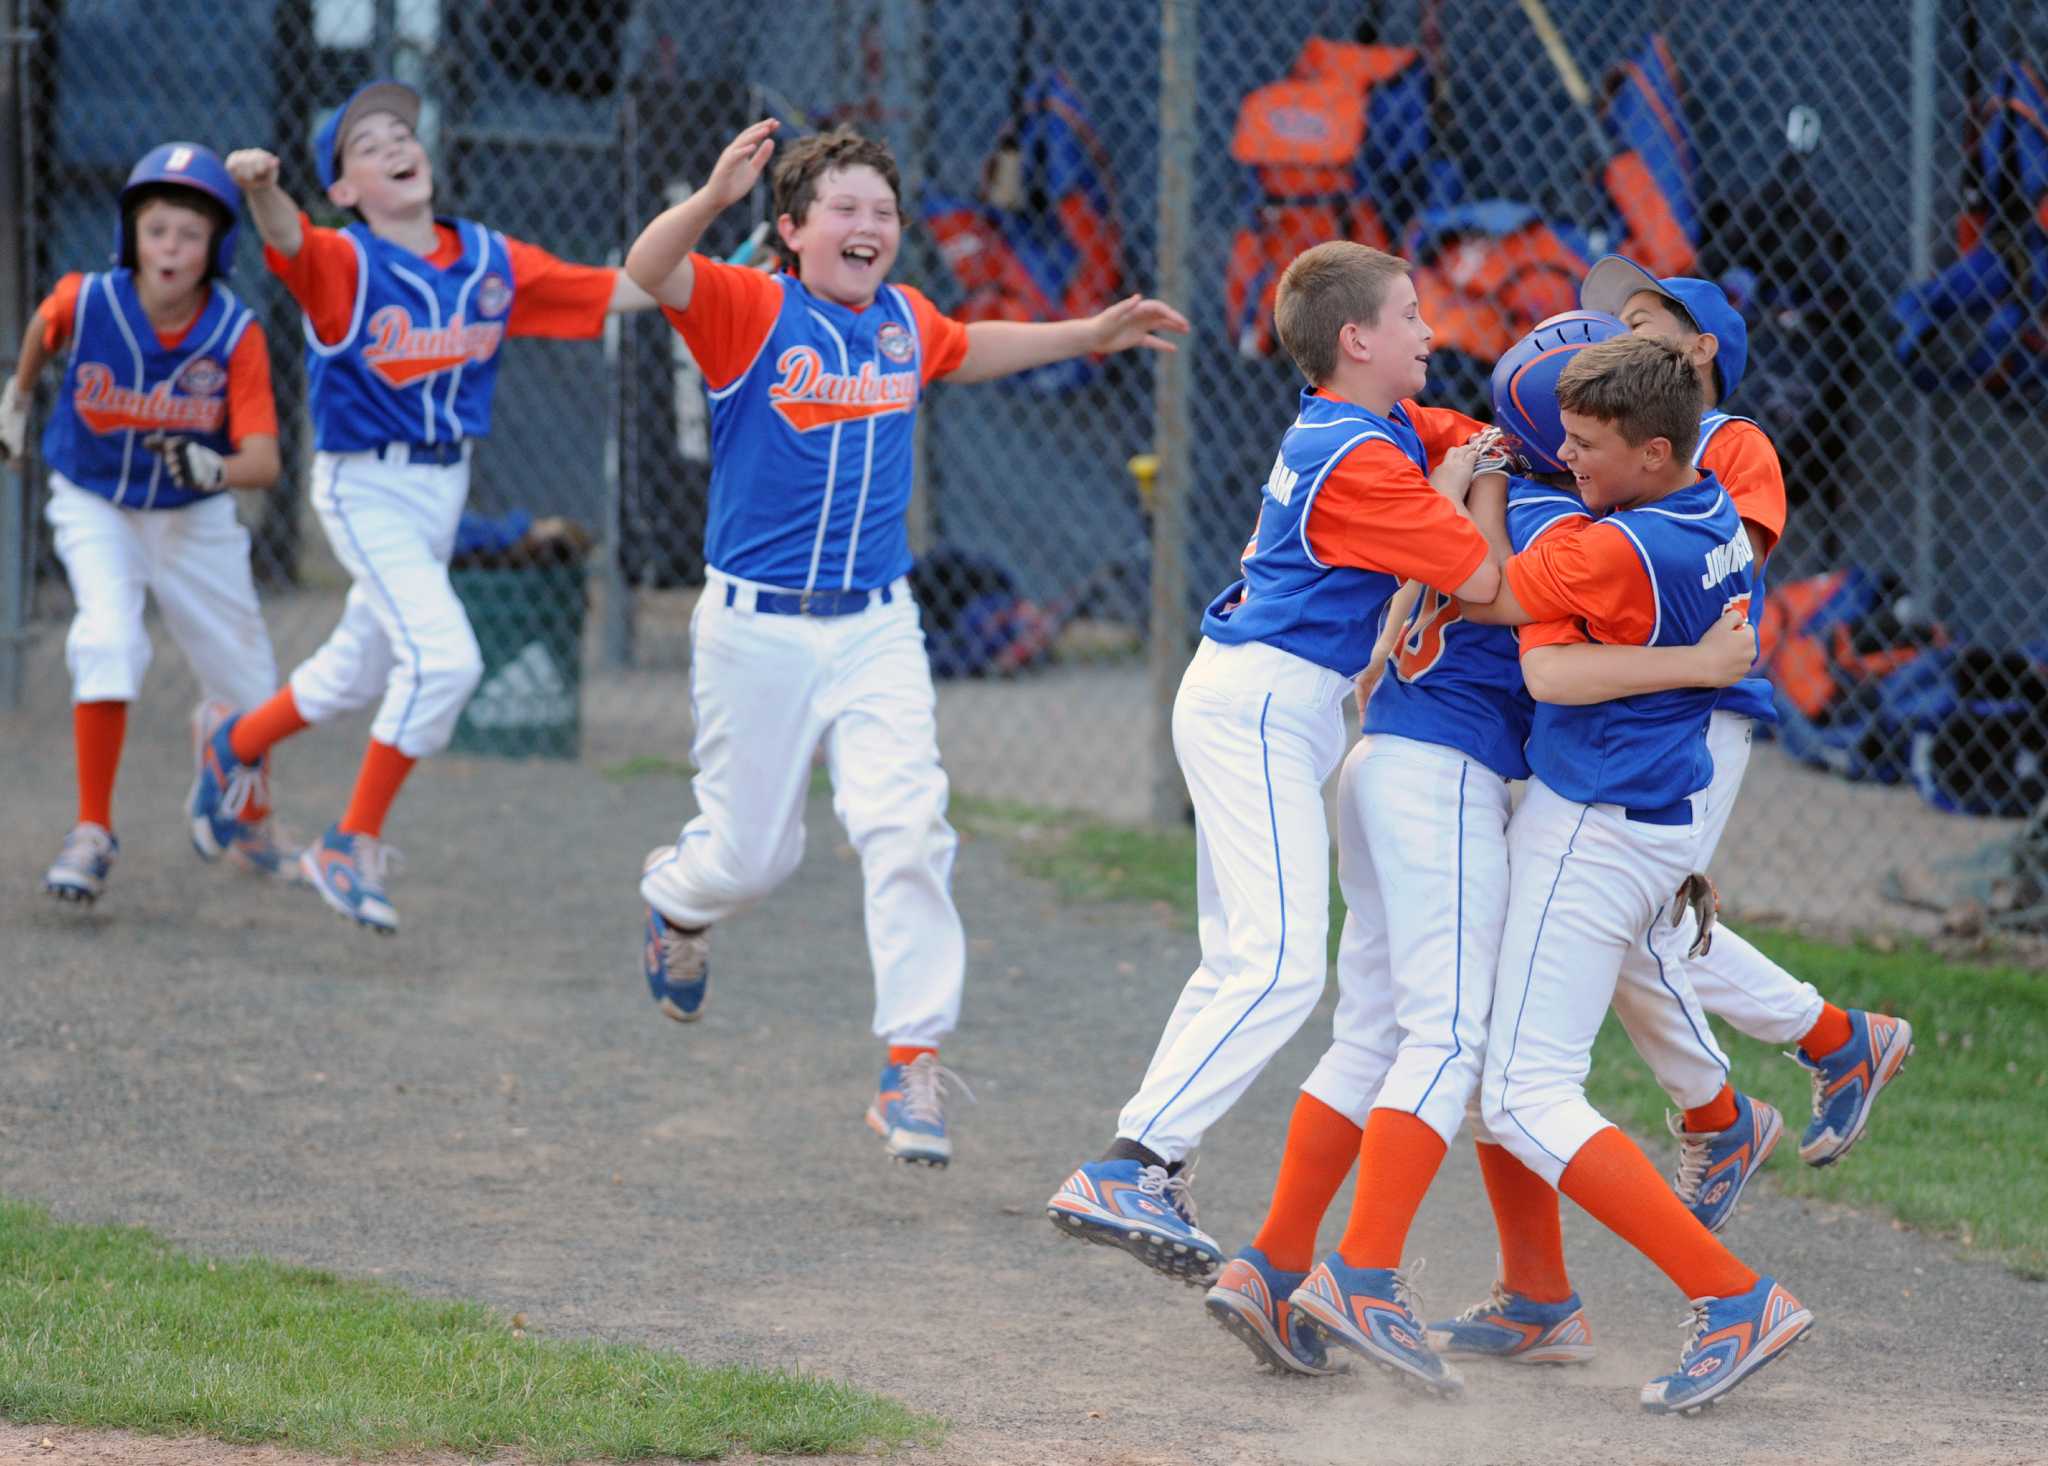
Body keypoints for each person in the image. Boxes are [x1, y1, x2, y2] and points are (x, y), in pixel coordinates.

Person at [1206, 311, 1761, 1381]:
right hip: (1448, 776)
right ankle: (1360, 1273)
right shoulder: (1572, 520)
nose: (1581, 439)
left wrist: (1482, 474)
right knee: (1455, 1039)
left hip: (1389, 764)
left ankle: (1280, 1261)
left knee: (1376, 1029)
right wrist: (1700, 669)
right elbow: (1536, 643)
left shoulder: (1481, 476)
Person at [623, 119, 1188, 1167]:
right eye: (841, 208)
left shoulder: (900, 322)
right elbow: (648, 269)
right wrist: (709, 197)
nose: (866, 225)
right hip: (757, 628)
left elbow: (968, 347)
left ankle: (909, 1063)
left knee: (906, 824)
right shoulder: (748, 309)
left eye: (881, 211)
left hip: (877, 621)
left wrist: (1087, 332)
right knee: (754, 857)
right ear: (789, 229)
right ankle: (676, 897)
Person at [1046, 241, 1508, 1270]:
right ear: (1355, 339)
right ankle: (1132, 1159)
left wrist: (1474, 455)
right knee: (1283, 961)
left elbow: (1465, 434)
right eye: (1408, 316)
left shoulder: (1366, 420)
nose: (1429, 333)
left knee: (1240, 955)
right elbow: (1476, 574)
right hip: (1261, 701)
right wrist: (1451, 482)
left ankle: (1148, 1165)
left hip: (1266, 701)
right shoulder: (1359, 457)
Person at [1381, 335, 1808, 1415]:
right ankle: (1536, 1292)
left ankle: (1731, 1296)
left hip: (1595, 824)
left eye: (1587, 446)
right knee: (1497, 1056)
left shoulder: (1609, 550)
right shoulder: (1705, 497)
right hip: (1641, 806)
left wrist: (1482, 477)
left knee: (1524, 1089)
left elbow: (1486, 599)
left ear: (1655, 448)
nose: (1565, 461)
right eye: (1558, 440)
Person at [192, 80, 659, 933]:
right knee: (445, 662)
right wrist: (260, 185)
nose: (394, 145)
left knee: (357, 670)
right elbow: (288, 238)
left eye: (401, 133)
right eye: (366, 145)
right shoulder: (344, 259)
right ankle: (350, 840)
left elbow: (616, 288)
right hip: (364, 485)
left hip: (441, 487)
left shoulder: (489, 259)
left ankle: (235, 744)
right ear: (343, 190)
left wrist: (725, 272)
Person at [0, 142, 285, 903]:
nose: (171, 248)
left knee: (252, 688)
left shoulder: (233, 331)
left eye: (190, 234)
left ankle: (239, 803)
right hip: (97, 501)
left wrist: (216, 468)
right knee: (109, 640)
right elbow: (43, 327)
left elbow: (264, 460)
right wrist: (19, 399)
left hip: (192, 516)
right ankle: (92, 831)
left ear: (217, 246)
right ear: (132, 235)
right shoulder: (88, 299)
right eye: (158, 229)